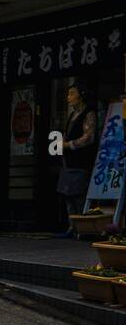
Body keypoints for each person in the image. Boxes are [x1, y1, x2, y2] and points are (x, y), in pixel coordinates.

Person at [57, 84, 98, 233]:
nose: (68, 97)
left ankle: (82, 227)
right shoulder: (72, 115)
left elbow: (89, 137)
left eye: (71, 94)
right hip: (69, 161)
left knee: (78, 195)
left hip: (81, 160)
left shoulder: (89, 113)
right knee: (68, 194)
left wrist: (69, 144)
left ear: (80, 95)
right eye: (68, 94)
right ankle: (71, 226)